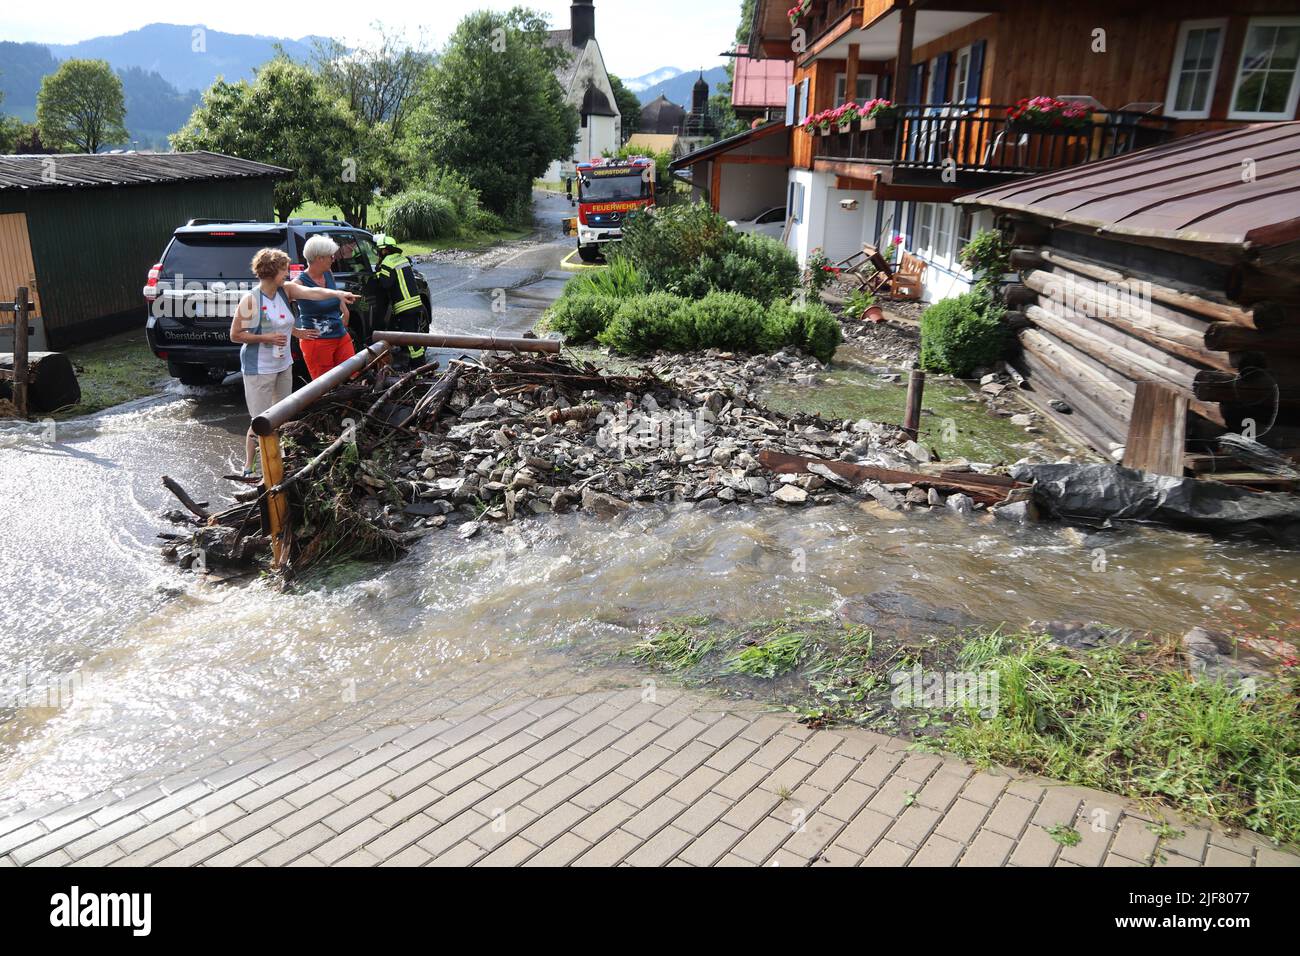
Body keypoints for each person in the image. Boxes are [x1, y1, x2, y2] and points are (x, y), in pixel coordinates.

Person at [230, 248, 358, 476]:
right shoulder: (251, 300)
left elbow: (312, 292)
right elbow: (236, 334)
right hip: (258, 367)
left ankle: (281, 459)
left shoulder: (285, 291)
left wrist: (337, 295)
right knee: (260, 419)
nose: (287, 275)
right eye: (283, 270)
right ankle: (249, 466)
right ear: (270, 272)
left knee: (282, 415)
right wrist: (265, 337)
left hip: (283, 364)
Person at [295, 235, 355, 380]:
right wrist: (295, 332)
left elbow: (335, 294)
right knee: (326, 386)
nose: (333, 259)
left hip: (340, 335)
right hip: (317, 343)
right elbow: (277, 309)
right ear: (319, 258)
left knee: (354, 375)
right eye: (330, 256)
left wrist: (345, 312)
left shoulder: (328, 274)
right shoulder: (299, 284)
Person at [372, 233, 427, 367]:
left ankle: (418, 365)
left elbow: (385, 283)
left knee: (410, 338)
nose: (379, 253)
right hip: (415, 303)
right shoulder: (402, 259)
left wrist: (377, 272)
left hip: (404, 306)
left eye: (379, 251)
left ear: (384, 249)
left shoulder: (387, 262)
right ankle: (419, 361)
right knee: (414, 334)